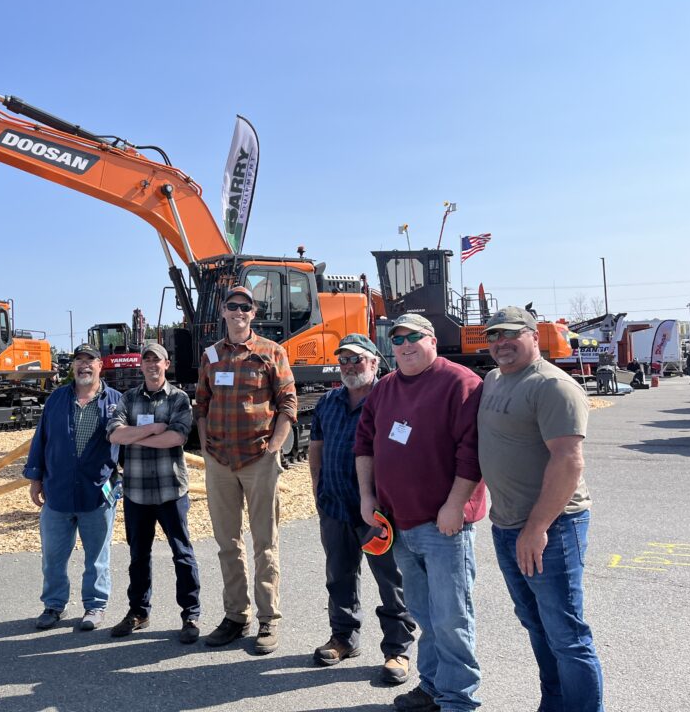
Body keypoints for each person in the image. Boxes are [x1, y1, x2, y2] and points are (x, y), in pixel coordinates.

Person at [354, 313, 485, 712]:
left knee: (451, 617)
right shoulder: (386, 388)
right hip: (400, 525)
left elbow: (472, 451)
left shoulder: (460, 382)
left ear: (431, 340)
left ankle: (460, 701)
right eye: (397, 339)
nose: (405, 344)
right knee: (426, 614)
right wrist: (367, 497)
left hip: (444, 525)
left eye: (414, 336)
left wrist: (455, 504)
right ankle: (431, 688)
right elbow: (365, 444)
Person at [478, 306, 605, 712]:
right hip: (507, 524)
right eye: (493, 336)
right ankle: (554, 703)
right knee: (535, 624)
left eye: (510, 334)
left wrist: (536, 528)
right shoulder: (494, 379)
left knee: (567, 634)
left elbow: (568, 461)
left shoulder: (553, 386)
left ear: (534, 335)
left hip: (552, 527)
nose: (500, 343)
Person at [194, 285, 297, 654]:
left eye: (246, 306)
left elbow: (288, 403)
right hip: (220, 461)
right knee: (227, 543)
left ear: (254, 313)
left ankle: (269, 618)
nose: (239, 312)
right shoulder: (210, 355)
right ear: (223, 312)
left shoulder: (272, 352)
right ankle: (237, 615)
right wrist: (205, 447)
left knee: (264, 543)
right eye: (233, 306)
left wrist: (274, 449)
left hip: (258, 460)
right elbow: (201, 404)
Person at [309, 333, 416, 683]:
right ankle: (343, 637)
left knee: (391, 581)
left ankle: (398, 650)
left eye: (357, 359)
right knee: (339, 576)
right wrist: (317, 489)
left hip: (379, 512)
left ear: (374, 361)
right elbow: (317, 448)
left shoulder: (391, 399)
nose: (349, 366)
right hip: (335, 505)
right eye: (343, 360)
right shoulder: (328, 401)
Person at [23, 343, 122, 632]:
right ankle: (54, 605)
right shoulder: (56, 399)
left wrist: (122, 482)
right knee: (53, 555)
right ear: (73, 367)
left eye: (89, 360)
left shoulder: (116, 401)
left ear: (100, 365)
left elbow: (128, 446)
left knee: (97, 558)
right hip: (58, 491)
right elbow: (41, 439)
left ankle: (95, 606)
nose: (83, 366)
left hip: (97, 493)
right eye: (79, 361)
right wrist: (35, 477)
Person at [106, 342, 200, 644]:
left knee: (182, 554)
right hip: (136, 492)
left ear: (166, 364)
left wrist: (135, 437)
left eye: (156, 361)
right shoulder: (127, 399)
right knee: (138, 555)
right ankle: (138, 611)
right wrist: (153, 429)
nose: (151, 365)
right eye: (146, 360)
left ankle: (190, 615)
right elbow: (114, 434)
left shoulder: (179, 398)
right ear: (141, 365)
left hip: (170, 489)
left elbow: (176, 438)